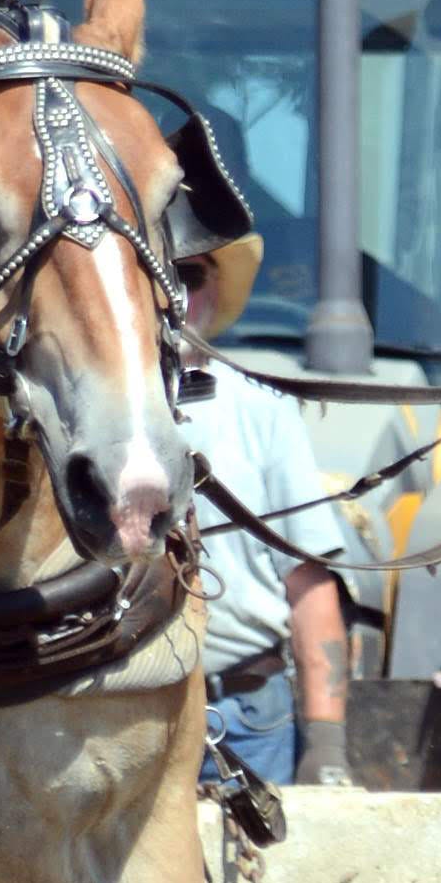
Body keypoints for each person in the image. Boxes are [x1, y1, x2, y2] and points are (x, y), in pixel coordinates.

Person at [178, 236, 353, 787]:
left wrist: (326, 748)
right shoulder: (74, 417)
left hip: (246, 720)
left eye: (189, 274)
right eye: (155, 270)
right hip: (119, 716)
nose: (174, 293)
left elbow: (308, 585)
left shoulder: (262, 409)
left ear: (214, 289)